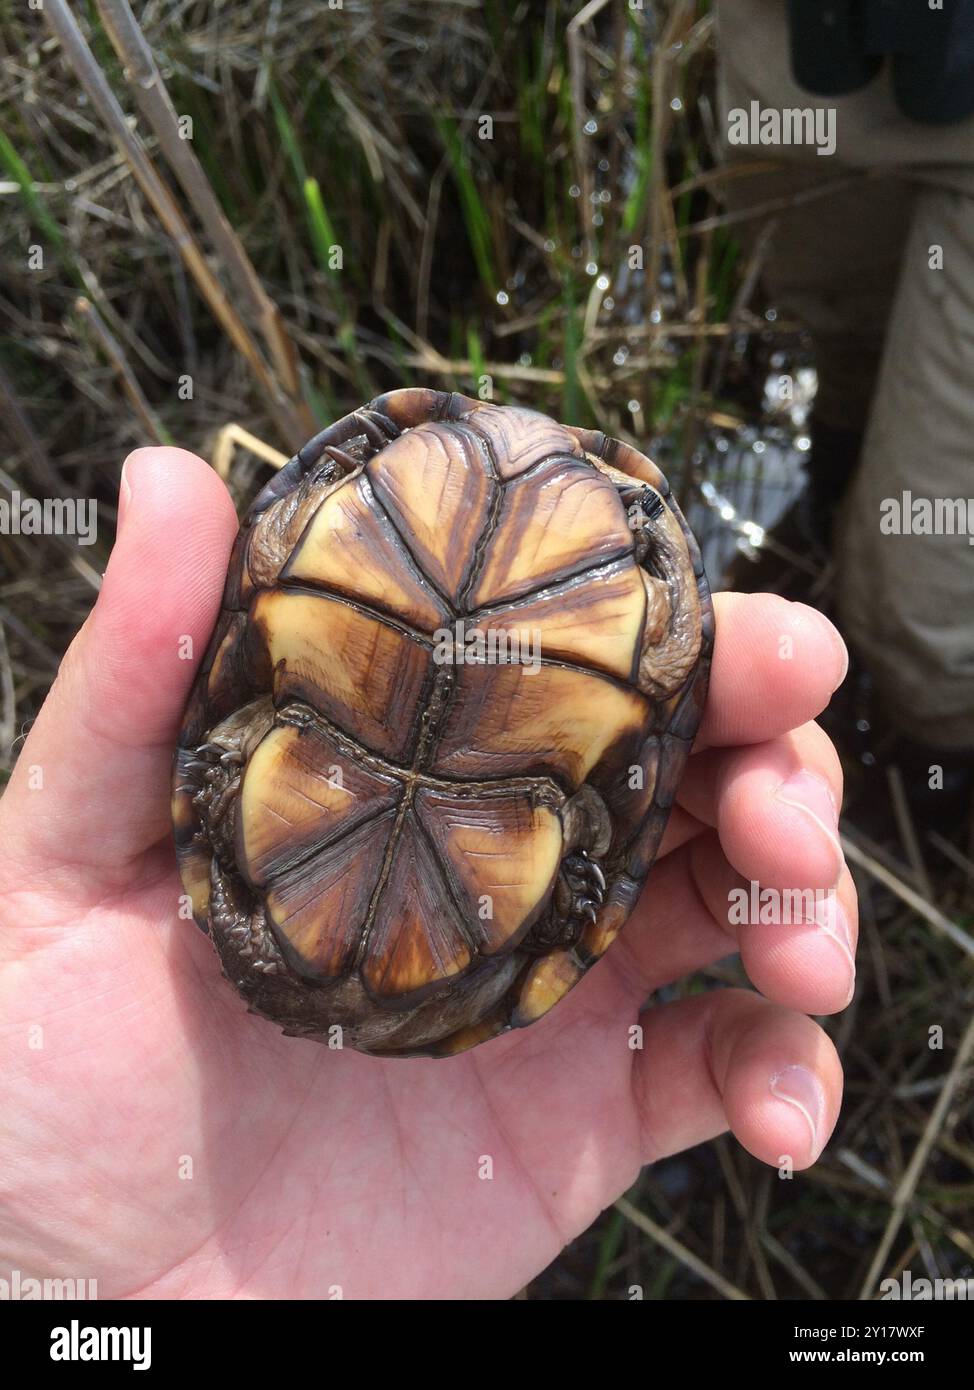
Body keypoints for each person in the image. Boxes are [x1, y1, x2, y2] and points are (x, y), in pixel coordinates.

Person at [0, 448, 855, 1298]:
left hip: (414, 508)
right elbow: (644, 730)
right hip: (539, 548)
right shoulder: (509, 910)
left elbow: (617, 777)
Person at [716, 0, 974, 822]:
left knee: (922, 611)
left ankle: (915, 805)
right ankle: (834, 495)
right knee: (839, 329)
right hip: (797, 55)